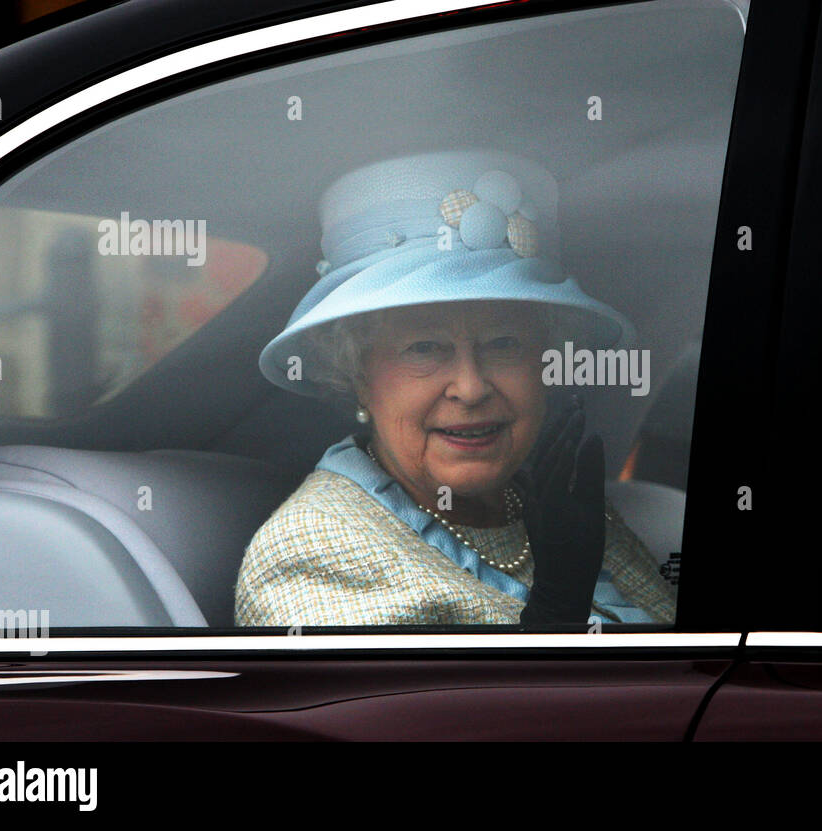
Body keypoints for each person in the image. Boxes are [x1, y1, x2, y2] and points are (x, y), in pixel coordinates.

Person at [236, 150, 675, 626]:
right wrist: (555, 618)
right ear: (359, 375)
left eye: (504, 343)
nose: (470, 388)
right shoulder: (313, 554)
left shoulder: (557, 507)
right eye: (425, 347)